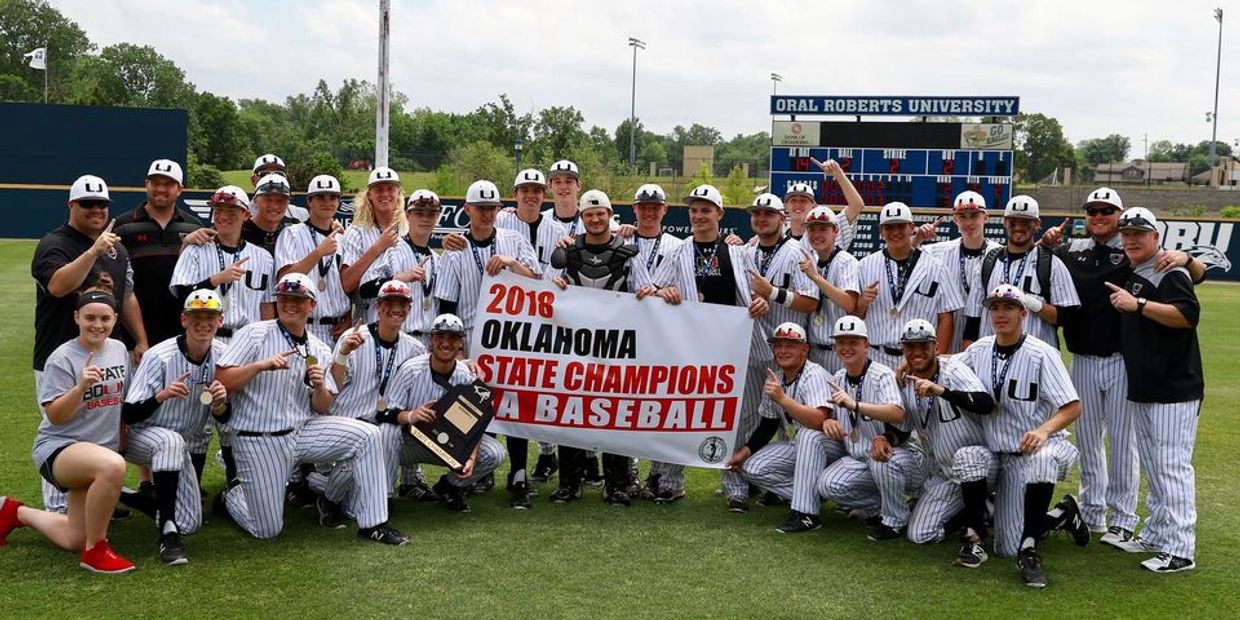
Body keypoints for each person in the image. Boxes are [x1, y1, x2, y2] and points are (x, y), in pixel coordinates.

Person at [1038, 187, 1204, 544]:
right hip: (1081, 358)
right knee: (1087, 440)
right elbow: (1037, 262)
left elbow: (1194, 278)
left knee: (1124, 442)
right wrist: (1046, 242)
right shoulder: (1071, 251)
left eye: (1106, 211)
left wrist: (1187, 259)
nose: (1099, 217)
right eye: (1093, 211)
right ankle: (1092, 510)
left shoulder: (1136, 256)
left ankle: (1123, 518)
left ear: (1120, 214)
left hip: (1121, 361)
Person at [213, 273, 407, 544]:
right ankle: (232, 495)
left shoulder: (317, 346)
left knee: (368, 435)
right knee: (267, 530)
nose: (290, 304)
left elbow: (323, 405)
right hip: (259, 438)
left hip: (302, 431)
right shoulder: (255, 333)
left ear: (311, 305)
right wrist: (260, 366)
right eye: (284, 298)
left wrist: (318, 387)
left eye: (298, 299)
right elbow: (221, 381)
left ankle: (374, 523)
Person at [957, 284, 1090, 588]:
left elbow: (1073, 407)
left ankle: (1029, 548)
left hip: (1036, 450)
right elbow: (947, 366)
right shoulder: (979, 349)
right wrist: (911, 366)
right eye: (995, 308)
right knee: (967, 457)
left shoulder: (1043, 353)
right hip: (997, 453)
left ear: (1023, 313)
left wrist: (1043, 430)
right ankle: (1058, 514)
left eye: (1008, 307)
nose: (1000, 314)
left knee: (1039, 462)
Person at [1, 275, 135, 573]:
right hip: (60, 449)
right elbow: (56, 416)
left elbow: (121, 405)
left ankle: (13, 511)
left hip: (98, 452)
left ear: (115, 318)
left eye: (104, 318)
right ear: (77, 317)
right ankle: (96, 552)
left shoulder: (116, 350)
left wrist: (121, 443)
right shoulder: (62, 358)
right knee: (112, 467)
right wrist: (80, 388)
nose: (97, 325)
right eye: (89, 317)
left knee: (74, 538)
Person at [31, 175, 145, 514]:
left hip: (107, 352)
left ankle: (99, 499)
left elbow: (126, 296)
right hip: (60, 355)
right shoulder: (54, 243)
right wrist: (93, 250)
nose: (95, 210)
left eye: (101, 204)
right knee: (64, 428)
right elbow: (57, 286)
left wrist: (140, 339)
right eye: (87, 204)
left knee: (102, 425)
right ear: (71, 206)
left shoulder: (118, 248)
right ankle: (58, 509)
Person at [654, 183, 770, 511]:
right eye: (694, 209)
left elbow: (758, 293)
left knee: (740, 416)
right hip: (691, 347)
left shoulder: (739, 252)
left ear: (719, 214)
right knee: (681, 412)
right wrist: (663, 293)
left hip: (735, 345)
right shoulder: (678, 252)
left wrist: (761, 303)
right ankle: (671, 481)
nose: (699, 215)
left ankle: (735, 484)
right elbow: (652, 289)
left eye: (706, 209)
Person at [546, 189, 662, 507]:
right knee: (570, 412)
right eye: (589, 214)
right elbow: (543, 291)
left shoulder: (627, 253)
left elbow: (645, 290)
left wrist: (655, 294)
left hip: (615, 348)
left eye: (601, 213)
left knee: (616, 415)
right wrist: (554, 287)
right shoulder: (566, 253)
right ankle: (570, 482)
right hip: (574, 345)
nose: (595, 219)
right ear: (582, 218)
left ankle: (618, 484)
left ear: (611, 215)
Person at [1105, 207, 1203, 573]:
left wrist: (1139, 305)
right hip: (1147, 385)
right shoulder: (1139, 270)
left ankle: (1180, 549)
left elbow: (1187, 316)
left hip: (1173, 387)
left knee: (1171, 466)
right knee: (1154, 465)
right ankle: (1159, 532)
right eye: (1126, 233)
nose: (1131, 239)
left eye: (1139, 234)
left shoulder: (1169, 271)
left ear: (1156, 237)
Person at [169, 185, 276, 485]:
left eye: (232, 211)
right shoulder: (196, 248)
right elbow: (179, 295)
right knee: (198, 421)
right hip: (204, 341)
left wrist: (266, 346)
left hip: (244, 342)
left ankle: (237, 488)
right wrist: (216, 279)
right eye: (219, 211)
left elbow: (267, 306)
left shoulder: (262, 257)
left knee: (238, 422)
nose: (224, 217)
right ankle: (190, 493)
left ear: (245, 214)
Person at [119, 289, 230, 565]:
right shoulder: (160, 356)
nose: (203, 322)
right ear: (183, 319)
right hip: (142, 437)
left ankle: (123, 495)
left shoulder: (224, 355)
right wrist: (162, 395)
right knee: (170, 441)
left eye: (210, 316)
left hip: (181, 445)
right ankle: (167, 533)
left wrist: (219, 405)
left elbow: (226, 419)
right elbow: (130, 414)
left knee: (191, 522)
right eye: (196, 316)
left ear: (221, 320)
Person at [320, 280, 427, 525]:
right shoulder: (354, 337)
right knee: (347, 475)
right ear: (378, 307)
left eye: (402, 304)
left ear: (409, 309)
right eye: (388, 303)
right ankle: (327, 497)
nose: (395, 309)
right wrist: (344, 353)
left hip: (380, 422)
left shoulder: (414, 348)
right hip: (347, 423)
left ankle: (383, 498)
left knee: (387, 433)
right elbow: (333, 385)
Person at [384, 313, 507, 513]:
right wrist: (410, 415)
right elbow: (386, 412)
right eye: (440, 337)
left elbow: (474, 427)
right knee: (385, 432)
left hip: (446, 445)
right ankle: (384, 496)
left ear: (461, 342)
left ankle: (449, 487)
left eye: (452, 338)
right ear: (431, 339)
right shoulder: (411, 370)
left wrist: (471, 458)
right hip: (409, 443)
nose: (446, 343)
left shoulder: (465, 375)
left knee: (494, 453)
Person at [814, 316, 923, 541]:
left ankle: (895, 520)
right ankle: (880, 507)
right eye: (841, 342)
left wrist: (855, 405)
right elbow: (834, 412)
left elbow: (897, 412)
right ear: (834, 347)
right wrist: (828, 420)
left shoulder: (881, 374)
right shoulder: (839, 377)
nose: (846, 348)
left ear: (866, 345)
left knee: (881, 458)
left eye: (853, 342)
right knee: (828, 485)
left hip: (902, 455)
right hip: (861, 458)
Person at [893, 319, 997, 556]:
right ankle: (983, 510)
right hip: (946, 473)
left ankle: (976, 533)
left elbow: (985, 404)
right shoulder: (906, 382)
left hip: (982, 466)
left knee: (967, 456)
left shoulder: (953, 371)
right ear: (903, 350)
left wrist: (941, 391)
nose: (917, 352)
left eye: (923, 346)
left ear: (936, 348)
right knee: (920, 535)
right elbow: (903, 429)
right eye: (910, 347)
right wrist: (885, 438)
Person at [737, 322, 842, 533]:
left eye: (791, 345)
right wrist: (743, 453)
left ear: (805, 349)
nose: (783, 350)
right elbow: (768, 425)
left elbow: (819, 421)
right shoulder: (776, 376)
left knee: (808, 436)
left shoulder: (814, 374)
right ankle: (813, 494)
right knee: (752, 467)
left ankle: (806, 515)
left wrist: (782, 399)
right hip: (802, 447)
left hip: (834, 448)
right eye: (778, 345)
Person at [628, 183, 687, 500]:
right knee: (628, 408)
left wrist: (662, 292)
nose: (649, 211)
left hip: (665, 340)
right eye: (643, 206)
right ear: (634, 209)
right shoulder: (620, 239)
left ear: (664, 210)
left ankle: (662, 475)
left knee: (664, 408)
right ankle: (630, 469)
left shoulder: (678, 245)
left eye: (655, 206)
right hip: (626, 337)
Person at [433, 180, 539, 353]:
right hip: (469, 336)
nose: (487, 214)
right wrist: (456, 351)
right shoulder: (454, 251)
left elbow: (536, 283)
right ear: (467, 209)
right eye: (481, 208)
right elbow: (447, 306)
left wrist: (513, 263)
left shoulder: (515, 239)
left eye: (492, 208)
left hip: (512, 336)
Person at [855, 202, 962, 371]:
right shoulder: (864, 266)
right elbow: (856, 315)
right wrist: (863, 302)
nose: (895, 232)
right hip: (876, 357)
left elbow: (946, 316)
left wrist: (936, 357)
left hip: (919, 358)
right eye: (889, 227)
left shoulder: (936, 266)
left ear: (912, 227)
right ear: (881, 231)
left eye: (901, 226)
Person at [963, 195, 1079, 349]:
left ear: (1037, 224)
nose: (1018, 227)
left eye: (1025, 222)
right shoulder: (987, 263)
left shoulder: (1050, 263)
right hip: (990, 360)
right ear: (1004, 222)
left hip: (1036, 358)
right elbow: (972, 322)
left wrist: (1030, 302)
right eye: (1013, 222)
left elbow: (1068, 317)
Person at [112, 159, 206, 346]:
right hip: (133, 336)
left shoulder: (194, 227)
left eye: (168, 184)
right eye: (155, 183)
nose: (161, 189)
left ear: (180, 189)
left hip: (182, 331)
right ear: (146, 184)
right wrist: (139, 339)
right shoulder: (123, 226)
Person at [919, 191, 1002, 353]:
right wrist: (917, 238)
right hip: (946, 338)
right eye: (962, 216)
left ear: (986, 217)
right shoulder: (939, 251)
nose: (968, 222)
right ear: (955, 219)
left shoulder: (1000, 253)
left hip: (986, 338)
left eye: (974, 215)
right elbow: (903, 253)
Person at [275, 175, 352, 344]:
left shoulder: (343, 238)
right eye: (320, 197)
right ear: (309, 201)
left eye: (333, 197)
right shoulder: (292, 233)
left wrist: (349, 317)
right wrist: (318, 253)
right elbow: (284, 279)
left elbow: (348, 285)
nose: (327, 202)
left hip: (337, 330)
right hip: (302, 325)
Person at [797, 205, 859, 375]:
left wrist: (816, 277)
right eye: (812, 229)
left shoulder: (846, 261)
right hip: (813, 351)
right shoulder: (809, 261)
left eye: (823, 229)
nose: (817, 235)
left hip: (839, 353)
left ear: (835, 231)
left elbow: (849, 303)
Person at [341, 167, 407, 318]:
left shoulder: (407, 230)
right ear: (369, 194)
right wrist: (378, 247)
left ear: (398, 193)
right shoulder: (356, 232)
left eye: (390, 189)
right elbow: (346, 284)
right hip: (368, 316)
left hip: (404, 319)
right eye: (379, 189)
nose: (385, 194)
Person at [241, 174, 299, 255]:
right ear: (255, 200)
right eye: (268, 199)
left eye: (280, 200)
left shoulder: (294, 229)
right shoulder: (240, 231)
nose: (274, 205)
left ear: (288, 202)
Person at [250, 153, 308, 222]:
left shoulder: (300, 214)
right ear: (253, 180)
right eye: (264, 174)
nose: (272, 177)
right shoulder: (241, 213)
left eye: (279, 174)